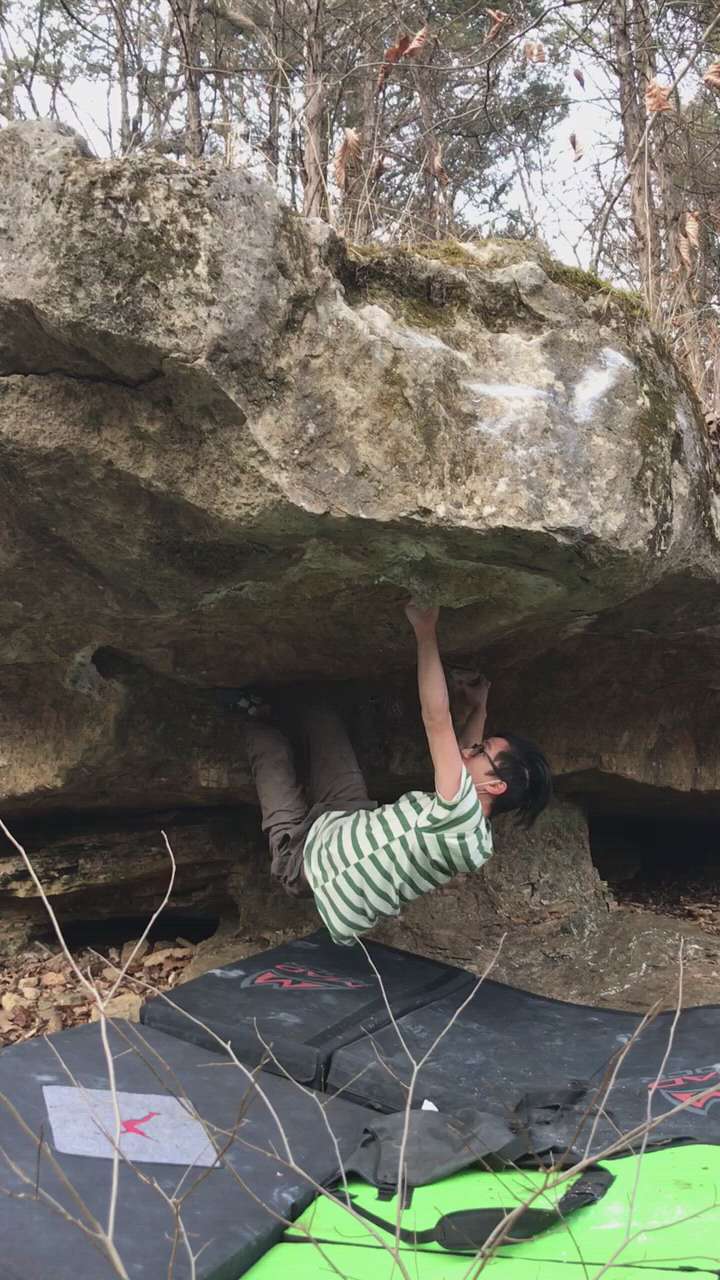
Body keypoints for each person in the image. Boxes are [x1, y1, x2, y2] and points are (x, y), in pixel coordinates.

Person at [241, 603, 552, 946]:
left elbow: (437, 718)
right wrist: (480, 706)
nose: (468, 749)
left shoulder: (460, 814)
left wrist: (425, 630)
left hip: (305, 863)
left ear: (494, 785)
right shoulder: (472, 831)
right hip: (345, 818)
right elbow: (463, 752)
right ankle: (274, 705)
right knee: (320, 717)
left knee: (268, 748)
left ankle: (249, 711)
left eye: (480, 752)